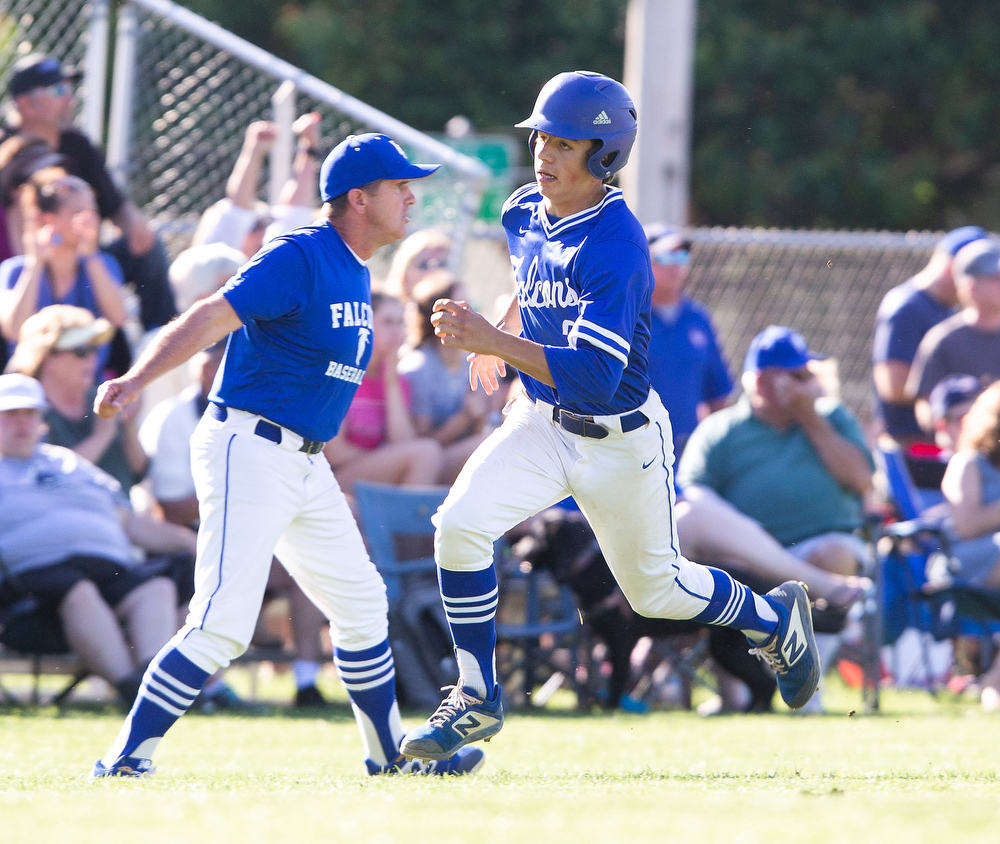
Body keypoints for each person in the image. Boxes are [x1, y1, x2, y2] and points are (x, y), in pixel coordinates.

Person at [400, 71, 821, 764]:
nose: (544, 153)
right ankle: (476, 697)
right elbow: (531, 275)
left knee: (656, 587)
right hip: (540, 420)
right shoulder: (521, 211)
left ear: (604, 155)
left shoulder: (620, 246)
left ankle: (773, 617)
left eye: (565, 144)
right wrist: (506, 320)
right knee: (460, 527)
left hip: (619, 438)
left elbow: (596, 377)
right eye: (540, 137)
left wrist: (492, 342)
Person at [88, 132, 484, 778]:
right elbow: (213, 314)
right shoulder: (301, 254)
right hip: (250, 444)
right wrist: (136, 380)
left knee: (360, 605)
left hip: (302, 459)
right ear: (359, 198)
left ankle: (389, 761)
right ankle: (125, 759)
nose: (412, 197)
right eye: (399, 187)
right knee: (220, 624)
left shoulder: (354, 266)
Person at [138, 339, 332, 708]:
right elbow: (170, 509)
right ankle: (201, 690)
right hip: (190, 541)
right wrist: (245, 490)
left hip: (253, 529)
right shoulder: (172, 417)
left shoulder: (266, 411)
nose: (219, 367)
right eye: (212, 357)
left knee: (307, 565)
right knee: (216, 613)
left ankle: (306, 682)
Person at [0, 372, 193, 706]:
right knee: (79, 591)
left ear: (42, 419)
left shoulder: (70, 463)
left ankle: (153, 682)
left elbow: (130, 523)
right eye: (10, 414)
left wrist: (195, 543)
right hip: (26, 583)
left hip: (105, 567)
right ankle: (132, 691)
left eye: (30, 413)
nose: (22, 422)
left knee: (157, 587)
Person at [1, 54, 176, 334]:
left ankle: (162, 334)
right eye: (58, 91)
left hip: (81, 260)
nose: (69, 99)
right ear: (26, 104)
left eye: (69, 90)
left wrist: (133, 223)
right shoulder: (5, 150)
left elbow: (115, 205)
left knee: (147, 247)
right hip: (23, 269)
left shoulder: (77, 144)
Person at [7, 305, 147, 494]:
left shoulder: (100, 397)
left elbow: (139, 471)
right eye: (81, 351)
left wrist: (128, 424)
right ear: (47, 357)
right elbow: (44, 482)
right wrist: (102, 436)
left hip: (120, 519)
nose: (92, 358)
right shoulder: (26, 412)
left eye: (94, 349)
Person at [872, 225, 988, 448]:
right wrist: (969, 394)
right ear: (953, 267)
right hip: (912, 445)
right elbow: (893, 386)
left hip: (947, 441)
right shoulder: (907, 306)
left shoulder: (947, 307)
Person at [322, 290, 442, 495]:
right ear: (365, 326)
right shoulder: (343, 372)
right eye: (387, 322)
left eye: (400, 323)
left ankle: (403, 524)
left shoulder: (397, 380)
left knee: (427, 453)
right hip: (333, 477)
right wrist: (387, 460)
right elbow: (335, 452)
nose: (397, 332)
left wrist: (391, 384)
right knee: (427, 452)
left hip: (372, 474)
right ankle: (406, 526)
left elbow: (403, 444)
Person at [0, 175, 127, 368]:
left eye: (92, 212)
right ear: (49, 219)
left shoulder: (104, 265)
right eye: (78, 212)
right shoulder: (15, 271)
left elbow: (119, 318)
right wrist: (35, 263)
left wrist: (91, 256)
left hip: (85, 386)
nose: (88, 221)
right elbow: (15, 330)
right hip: (31, 382)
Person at [643, 224, 733, 458]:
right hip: (636, 451)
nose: (675, 265)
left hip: (688, 452)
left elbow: (718, 393)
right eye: (664, 257)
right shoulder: (629, 318)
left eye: (681, 256)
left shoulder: (698, 319)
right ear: (644, 261)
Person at [398, 270, 493, 484]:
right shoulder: (417, 368)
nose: (473, 315)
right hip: (428, 466)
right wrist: (464, 418)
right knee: (488, 445)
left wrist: (477, 417)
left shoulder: (471, 359)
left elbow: (477, 427)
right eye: (461, 309)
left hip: (456, 454)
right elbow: (422, 444)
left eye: (472, 306)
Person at [938, 381, 1000, 709]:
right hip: (964, 562)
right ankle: (993, 682)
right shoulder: (968, 463)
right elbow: (967, 525)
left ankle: (994, 681)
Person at [192, 114, 323, 258]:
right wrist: (254, 150)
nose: (262, 232)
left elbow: (295, 211)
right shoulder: (216, 254)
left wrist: (309, 146)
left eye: (264, 226)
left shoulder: (267, 251)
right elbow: (237, 209)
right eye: (255, 227)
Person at [907, 239, 1000, 433]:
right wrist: (950, 420)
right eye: (995, 278)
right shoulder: (944, 339)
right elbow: (925, 406)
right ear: (971, 286)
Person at [383, 227, 452, 301]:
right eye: (424, 265)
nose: (432, 273)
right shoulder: (381, 305)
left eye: (441, 265)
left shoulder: (446, 307)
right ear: (405, 266)